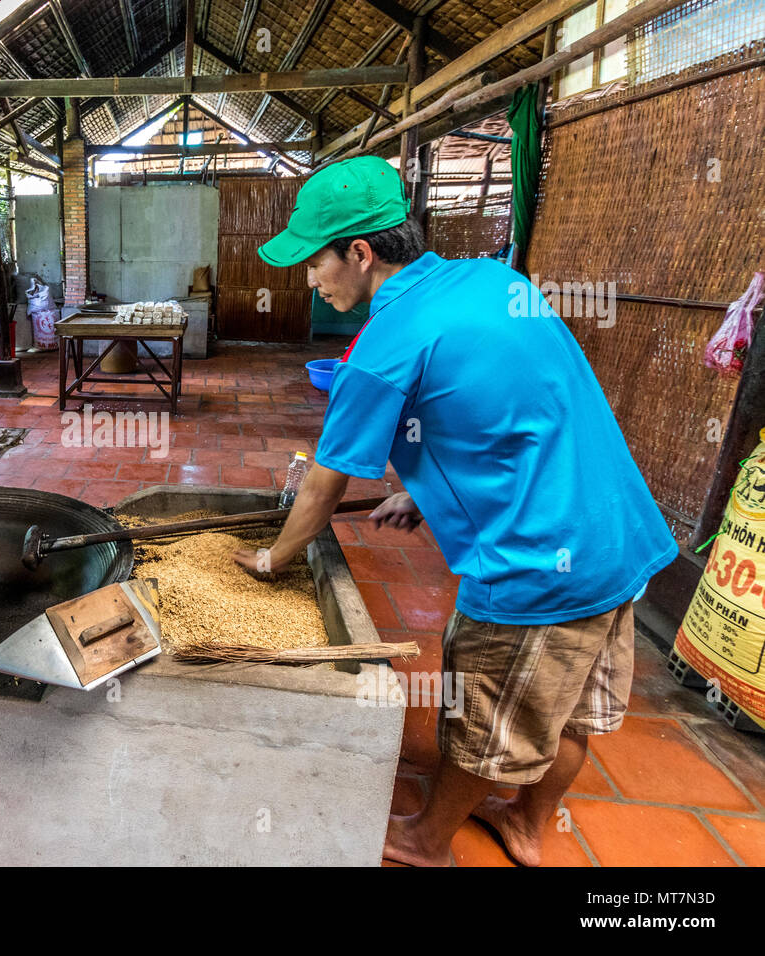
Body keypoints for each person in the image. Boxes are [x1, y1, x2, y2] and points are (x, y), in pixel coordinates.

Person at [232, 155, 676, 866]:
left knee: (482, 717)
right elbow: (517, 411)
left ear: (360, 252)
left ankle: (425, 840)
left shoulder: (383, 345)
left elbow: (324, 483)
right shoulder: (493, 280)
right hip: (618, 536)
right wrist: (425, 491)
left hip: (537, 566)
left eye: (314, 264)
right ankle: (528, 826)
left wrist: (271, 558)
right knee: (564, 711)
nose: (310, 281)